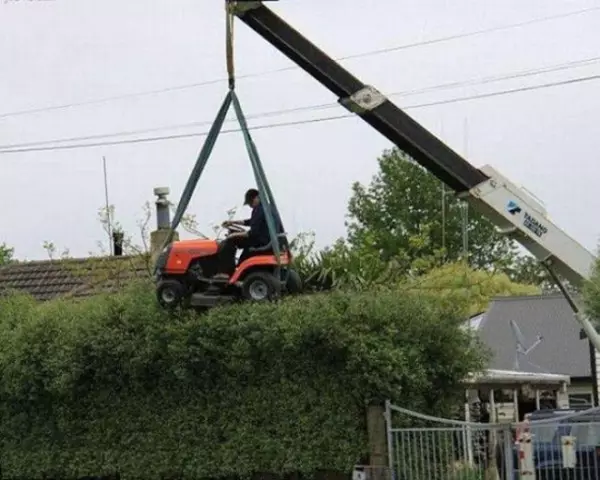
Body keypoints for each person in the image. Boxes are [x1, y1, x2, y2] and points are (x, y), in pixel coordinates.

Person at [214, 188, 279, 278]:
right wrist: (233, 222)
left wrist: (233, 235)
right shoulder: (267, 208)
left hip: (261, 241)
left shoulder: (259, 209)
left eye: (250, 203)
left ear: (256, 198)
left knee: (229, 242)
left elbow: (252, 233)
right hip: (267, 240)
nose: (250, 206)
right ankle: (233, 268)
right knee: (235, 239)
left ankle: (225, 272)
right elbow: (251, 222)